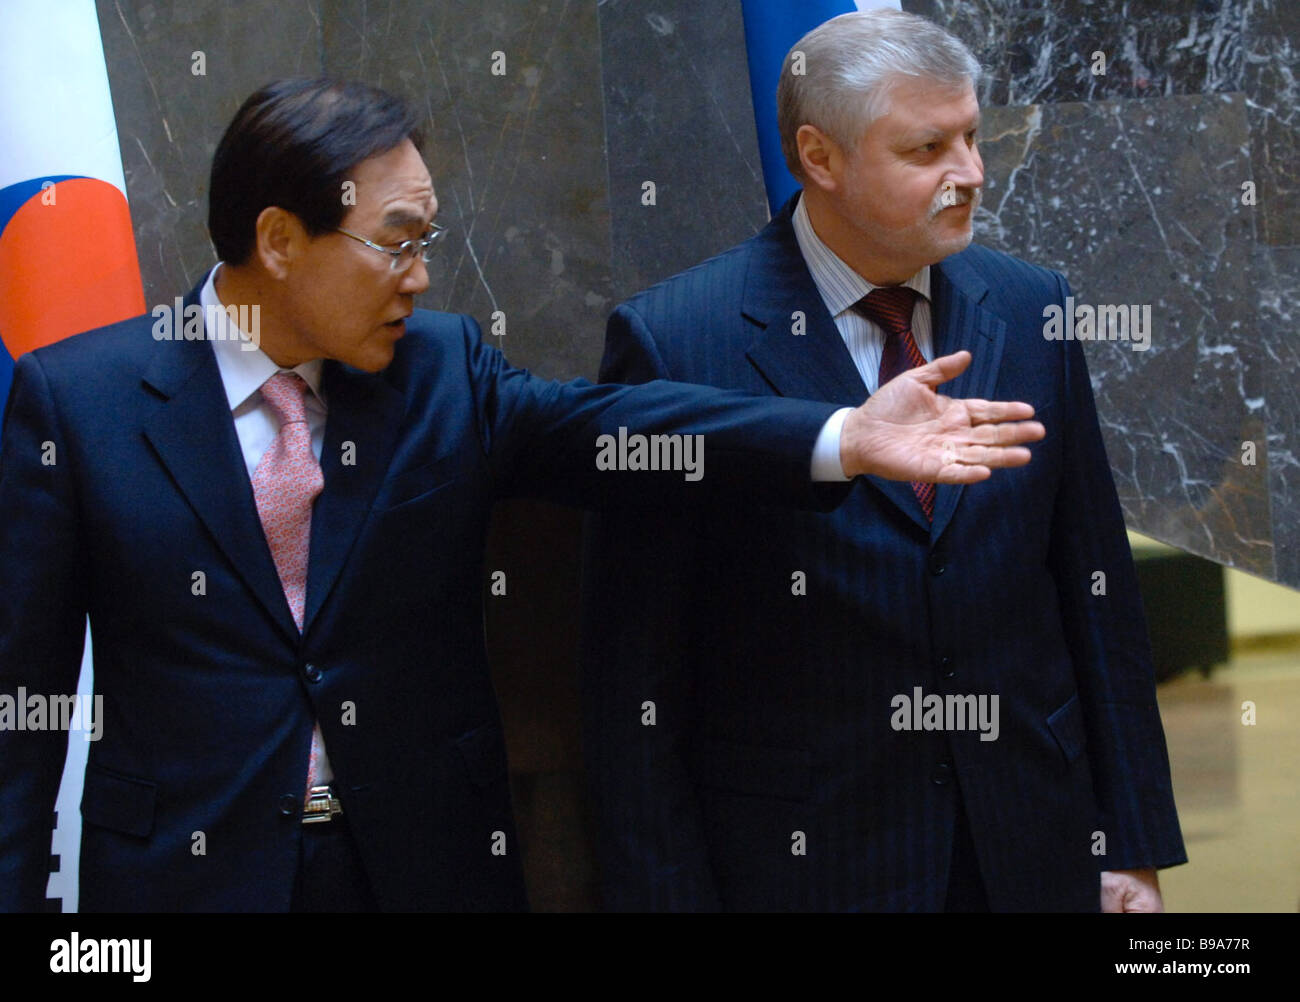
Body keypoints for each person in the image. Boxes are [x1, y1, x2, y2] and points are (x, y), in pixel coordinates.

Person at [0, 77, 1042, 912]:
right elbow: (19, 708)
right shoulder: (81, 402)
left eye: (428, 243)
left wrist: (843, 435)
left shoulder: (438, 369)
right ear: (278, 241)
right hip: (187, 878)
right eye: (395, 241)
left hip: (423, 865)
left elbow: (610, 428)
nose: (419, 276)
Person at [581, 9, 1185, 912]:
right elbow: (633, 678)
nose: (971, 175)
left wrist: (1128, 843)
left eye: (974, 137)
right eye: (927, 149)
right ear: (820, 158)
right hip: (810, 866)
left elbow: (1095, 593)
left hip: (1031, 844)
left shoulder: (1032, 308)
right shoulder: (678, 341)